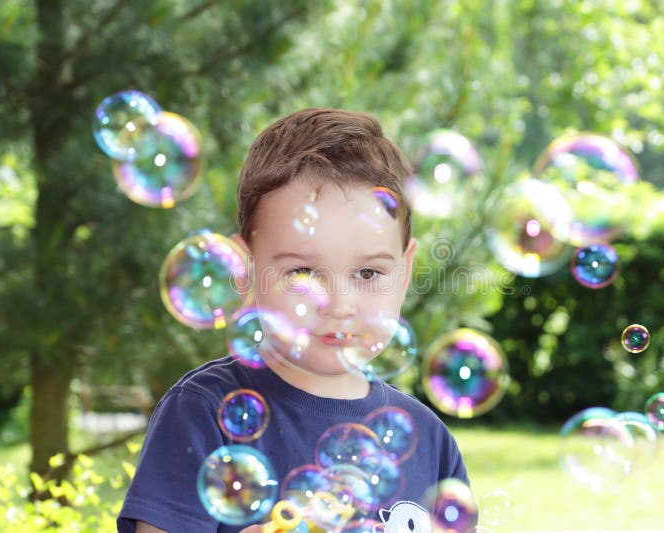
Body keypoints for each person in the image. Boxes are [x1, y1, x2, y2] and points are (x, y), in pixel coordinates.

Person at [117, 108, 474, 533]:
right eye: (302, 273)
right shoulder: (202, 412)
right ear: (245, 271)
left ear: (405, 272)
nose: (338, 303)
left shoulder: (431, 442)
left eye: (368, 273)